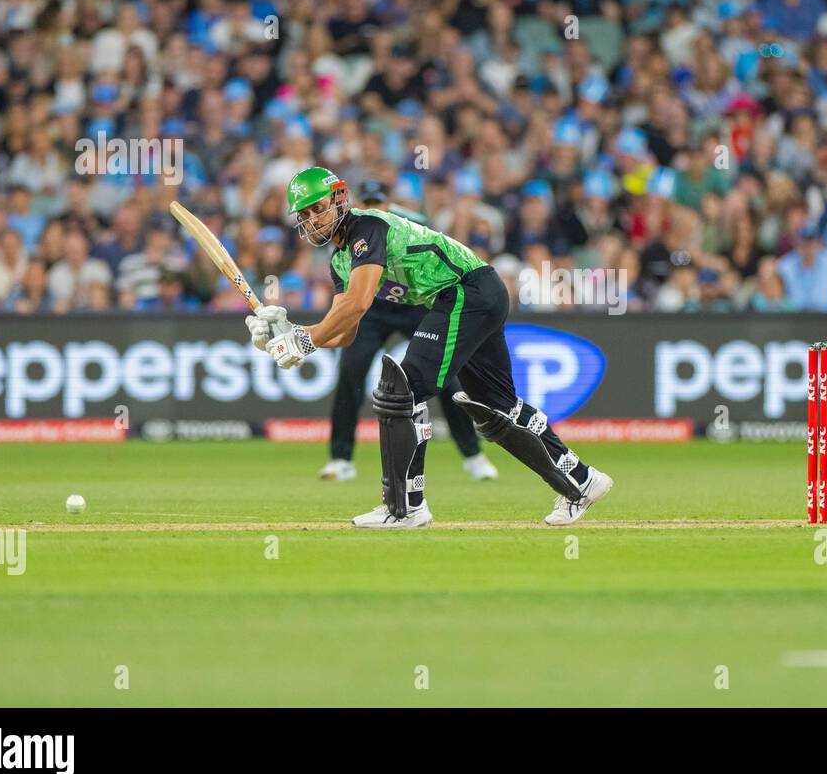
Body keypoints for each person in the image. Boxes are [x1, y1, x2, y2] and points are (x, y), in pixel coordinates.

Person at [246, 166, 613, 528]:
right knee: (497, 406)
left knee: (404, 388)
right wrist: (292, 332)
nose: (313, 219)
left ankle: (405, 507)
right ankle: (581, 480)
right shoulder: (341, 260)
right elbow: (346, 332)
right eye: (305, 214)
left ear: (340, 197)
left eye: (318, 207)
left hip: (466, 291)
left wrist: (303, 340)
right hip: (475, 295)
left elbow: (356, 304)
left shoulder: (366, 228)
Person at [316, 178, 498, 484]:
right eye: (369, 204)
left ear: (390, 205)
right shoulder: (354, 232)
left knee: (448, 380)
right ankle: (340, 459)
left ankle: (473, 456)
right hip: (373, 308)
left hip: (415, 306)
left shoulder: (411, 223)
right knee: (350, 373)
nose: (374, 209)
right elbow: (352, 290)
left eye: (379, 204)